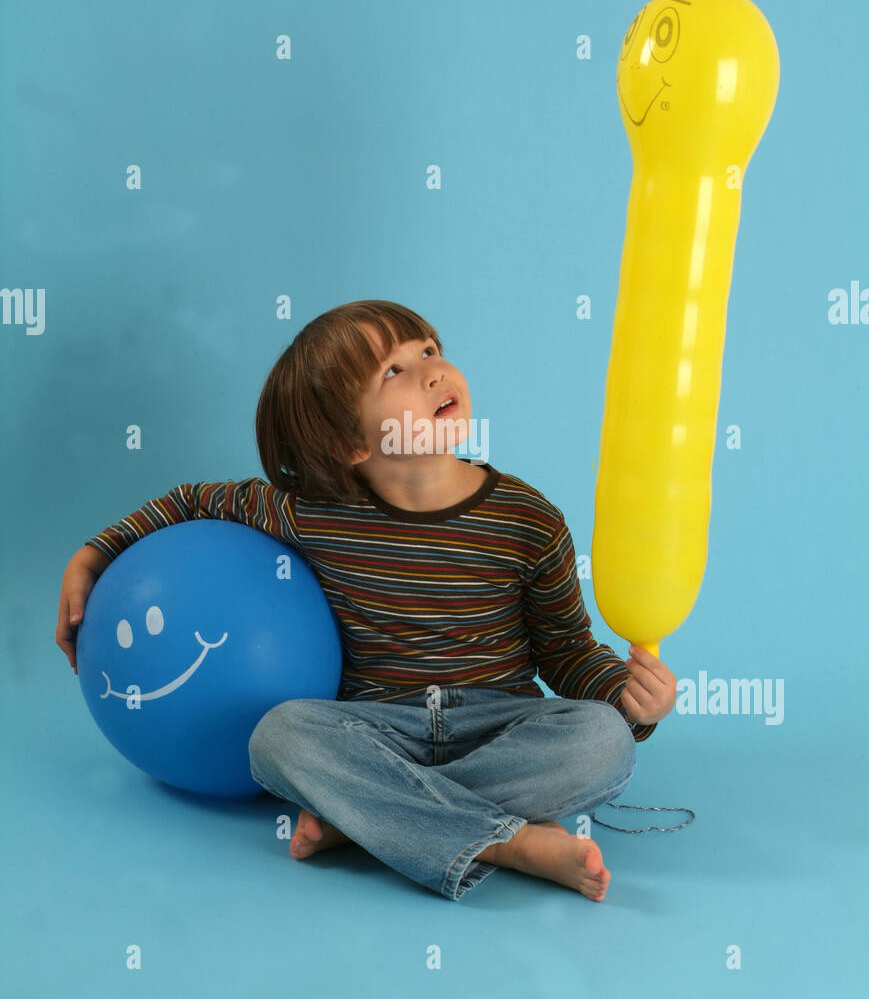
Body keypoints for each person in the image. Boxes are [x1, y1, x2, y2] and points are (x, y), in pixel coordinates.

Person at [56, 299, 677, 902]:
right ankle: (508, 842)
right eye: (394, 371)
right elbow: (192, 502)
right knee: (278, 737)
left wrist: (626, 696)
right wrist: (94, 556)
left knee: (604, 742)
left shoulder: (528, 520)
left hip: (501, 726)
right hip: (378, 730)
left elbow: (565, 651)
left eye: (429, 350)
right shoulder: (310, 514)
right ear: (348, 444)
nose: (433, 370)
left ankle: (368, 819)